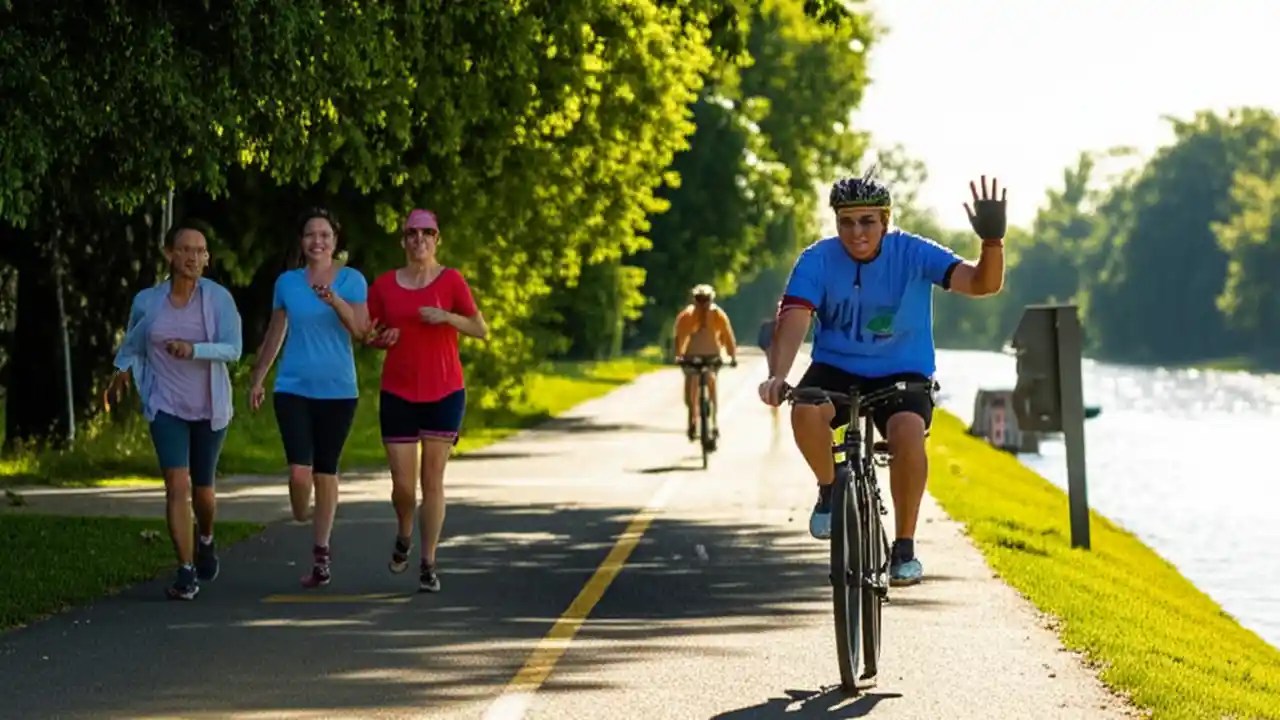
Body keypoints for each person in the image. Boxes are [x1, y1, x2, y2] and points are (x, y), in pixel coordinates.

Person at [758, 172, 1007, 586]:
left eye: (867, 222)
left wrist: (993, 242)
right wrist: (777, 376)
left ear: (886, 220)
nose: (856, 233)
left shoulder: (912, 252)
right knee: (804, 409)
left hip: (902, 371)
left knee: (908, 432)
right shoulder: (817, 260)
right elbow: (795, 318)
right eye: (847, 222)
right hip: (837, 365)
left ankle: (904, 547)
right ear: (836, 222)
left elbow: (983, 284)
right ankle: (829, 489)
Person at [104, 220, 243, 601]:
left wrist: (193, 349)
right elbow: (135, 341)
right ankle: (185, 571)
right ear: (169, 254)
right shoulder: (147, 301)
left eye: (199, 251)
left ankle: (207, 537)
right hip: (165, 404)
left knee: (204, 492)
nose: (192, 257)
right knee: (176, 486)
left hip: (209, 406)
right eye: (185, 249)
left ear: (207, 259)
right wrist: (121, 372)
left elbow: (233, 349)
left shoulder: (218, 300)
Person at [365, 208, 488, 593]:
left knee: (431, 479)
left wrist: (447, 317)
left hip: (444, 390)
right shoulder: (385, 285)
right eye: (413, 233)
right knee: (403, 487)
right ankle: (404, 532)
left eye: (427, 233)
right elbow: (368, 333)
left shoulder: (451, 280)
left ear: (437, 239)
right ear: (403, 240)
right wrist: (378, 340)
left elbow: (480, 329)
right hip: (398, 391)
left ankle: (428, 562)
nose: (420, 239)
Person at [247, 207, 370, 589]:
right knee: (300, 473)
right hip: (293, 387)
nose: (317, 241)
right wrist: (257, 377)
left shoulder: (352, 281)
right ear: (301, 242)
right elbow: (276, 331)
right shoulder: (287, 282)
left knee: (325, 471)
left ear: (335, 242)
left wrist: (335, 301)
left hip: (338, 389)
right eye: (310, 235)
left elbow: (362, 330)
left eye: (325, 235)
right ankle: (300, 512)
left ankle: (321, 554)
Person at [673, 284, 739, 442]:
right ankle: (693, 420)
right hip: (693, 356)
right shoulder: (688, 315)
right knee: (692, 388)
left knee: (710, 381)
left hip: (710, 356)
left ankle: (714, 424)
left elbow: (727, 335)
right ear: (695, 300)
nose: (703, 303)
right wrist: (679, 355)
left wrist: (732, 355)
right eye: (700, 300)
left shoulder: (716, 314)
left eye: (705, 300)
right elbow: (680, 337)